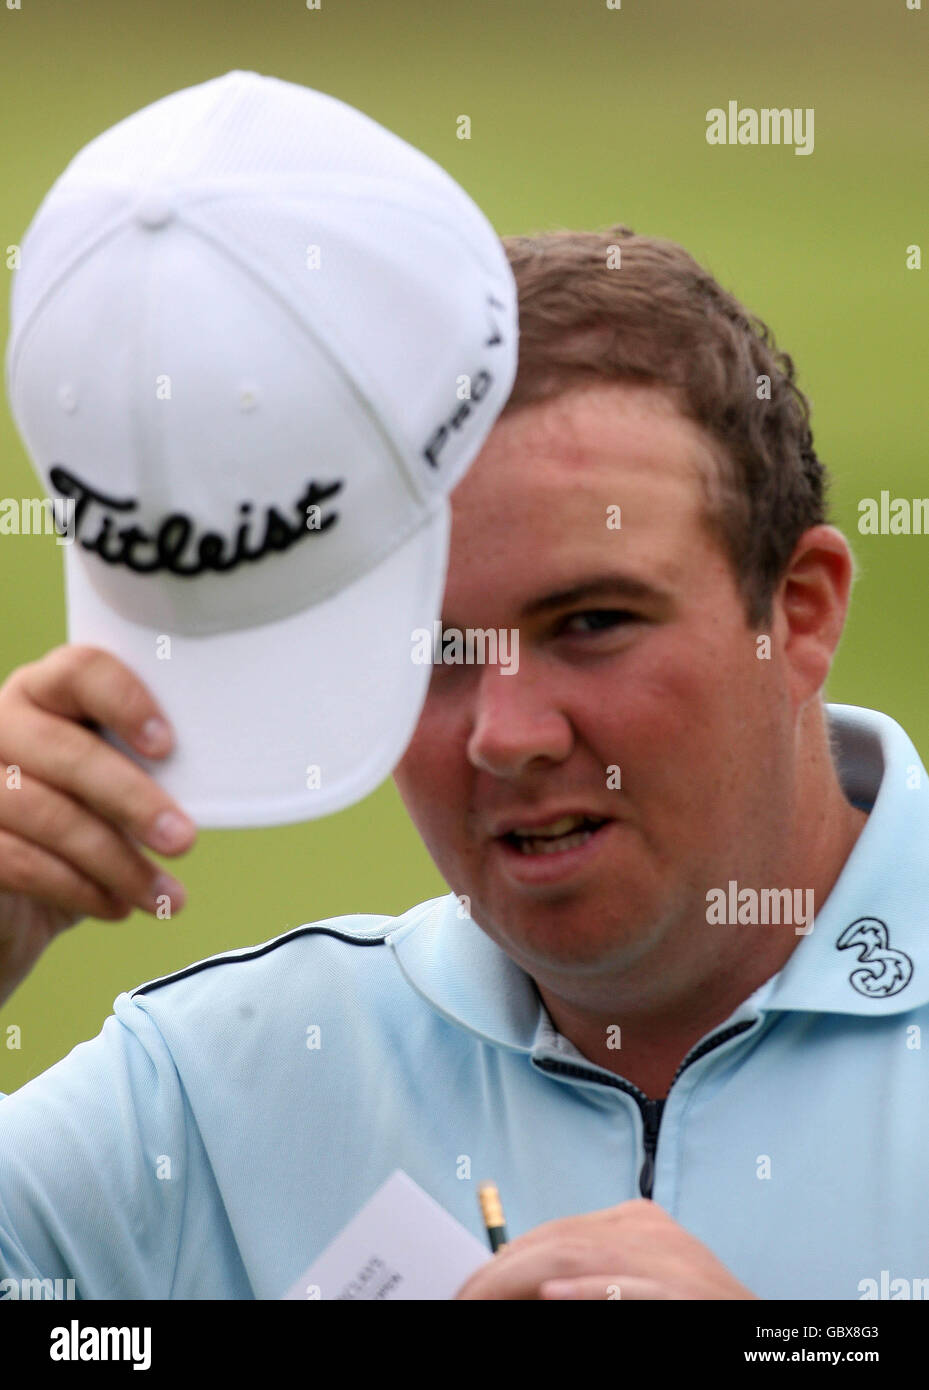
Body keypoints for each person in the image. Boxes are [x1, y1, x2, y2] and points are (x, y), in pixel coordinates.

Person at [1, 225, 926, 1302]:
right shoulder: (215, 1091)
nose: (505, 730)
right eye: (433, 650)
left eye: (589, 621)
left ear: (797, 613)